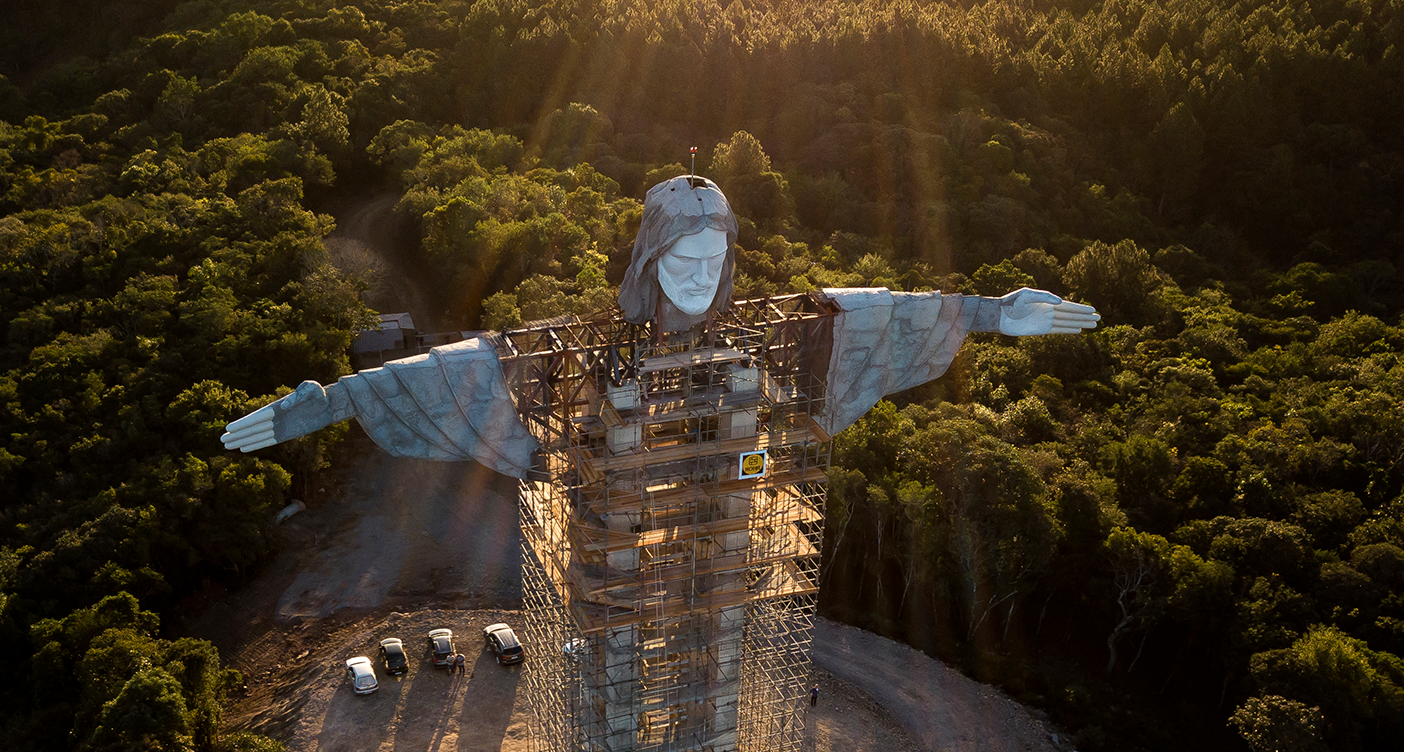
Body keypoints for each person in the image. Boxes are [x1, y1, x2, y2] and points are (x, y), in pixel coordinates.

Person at [221, 174, 1097, 466]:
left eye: (715, 263)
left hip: (722, 550)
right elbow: (464, 368)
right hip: (616, 565)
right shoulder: (584, 354)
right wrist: (338, 400)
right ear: (647, 263)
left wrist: (992, 313)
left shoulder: (777, 332)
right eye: (682, 261)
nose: (701, 278)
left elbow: (886, 314)